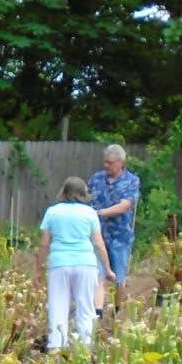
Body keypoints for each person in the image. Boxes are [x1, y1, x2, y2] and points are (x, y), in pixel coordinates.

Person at [38, 176, 114, 350]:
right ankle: (86, 348)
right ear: (83, 193)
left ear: (64, 192)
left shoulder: (53, 211)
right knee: (86, 307)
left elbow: (44, 244)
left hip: (59, 264)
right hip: (85, 264)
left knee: (58, 306)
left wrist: (38, 268)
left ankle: (56, 347)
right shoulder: (90, 213)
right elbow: (98, 244)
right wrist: (108, 269)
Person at [89, 144, 141, 301]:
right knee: (98, 276)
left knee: (119, 280)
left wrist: (98, 213)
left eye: (110, 163)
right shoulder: (96, 178)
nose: (106, 166)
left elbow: (124, 206)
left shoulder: (131, 181)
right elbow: (86, 199)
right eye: (105, 162)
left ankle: (117, 313)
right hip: (97, 236)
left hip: (120, 237)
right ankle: (98, 314)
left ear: (121, 163)